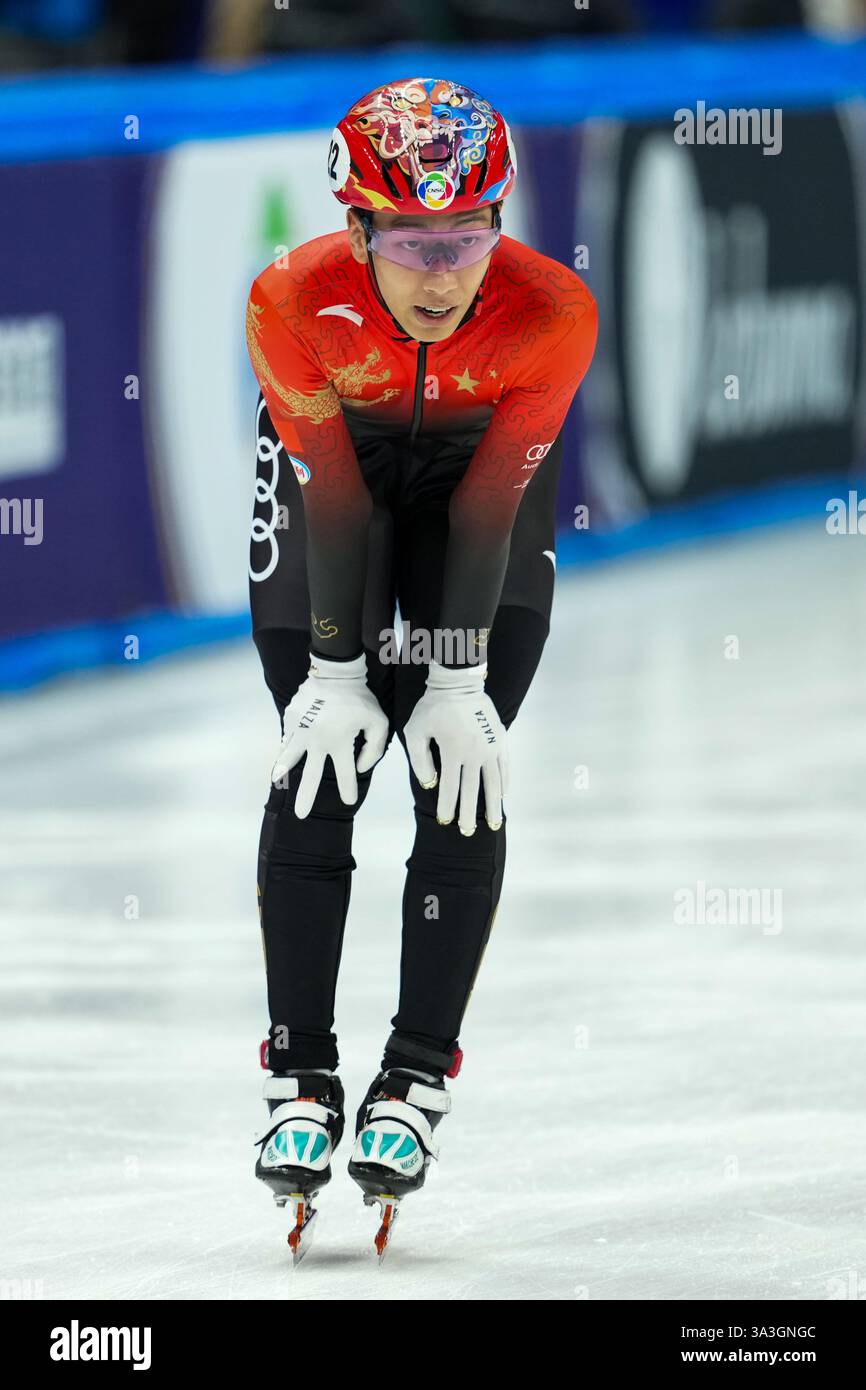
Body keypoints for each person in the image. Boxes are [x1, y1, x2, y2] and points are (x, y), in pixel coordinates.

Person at [246, 77, 597, 1259]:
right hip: (332, 492)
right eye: (409, 241)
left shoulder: (550, 311)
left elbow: (490, 501)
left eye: (466, 236)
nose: (441, 274)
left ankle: (414, 1075)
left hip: (475, 499)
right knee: (317, 767)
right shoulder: (289, 298)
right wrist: (336, 669)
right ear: (356, 229)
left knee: (460, 774)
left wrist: (453, 678)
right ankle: (299, 1071)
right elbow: (337, 499)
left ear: (499, 221)